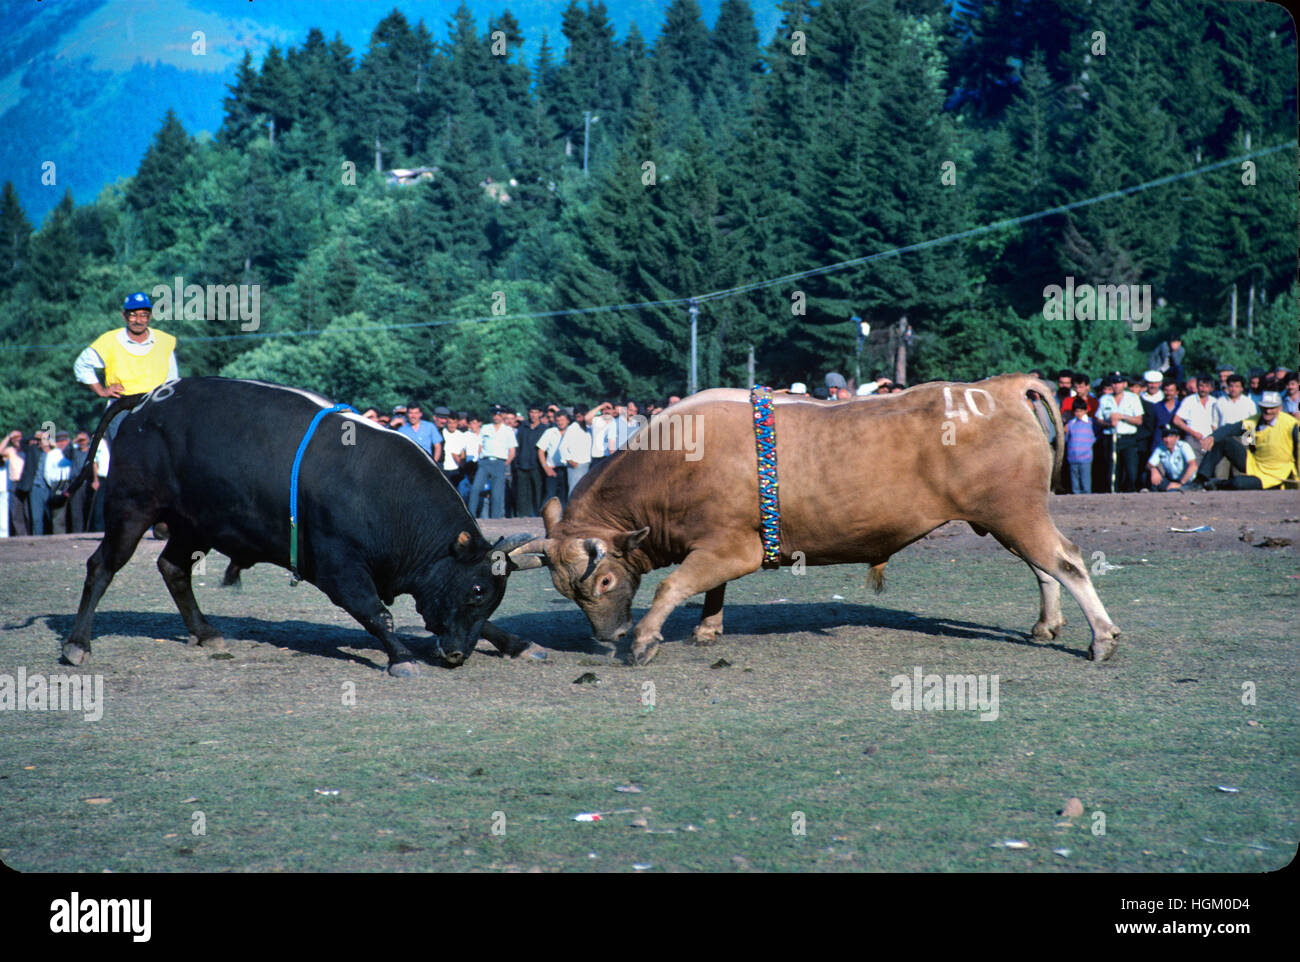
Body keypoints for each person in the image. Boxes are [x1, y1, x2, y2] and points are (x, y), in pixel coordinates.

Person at [74, 292, 179, 444]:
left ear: (150, 316)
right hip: (121, 410)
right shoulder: (109, 340)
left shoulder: (164, 341)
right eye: (133, 315)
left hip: (156, 408)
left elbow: (172, 380)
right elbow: (82, 365)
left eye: (143, 315)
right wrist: (101, 391)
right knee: (123, 461)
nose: (138, 320)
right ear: (124, 316)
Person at [1193, 391, 1298, 490]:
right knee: (1224, 441)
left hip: (1277, 473)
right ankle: (1200, 480)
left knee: (1238, 483)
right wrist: (1212, 437)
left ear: (1280, 408)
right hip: (1254, 463)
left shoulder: (1290, 424)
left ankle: (1217, 484)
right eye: (1264, 407)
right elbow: (1231, 429)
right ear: (1260, 406)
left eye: (1272, 408)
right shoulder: (1254, 421)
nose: (1268, 411)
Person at [1096, 374, 1143, 492]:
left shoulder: (1133, 398)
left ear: (1124, 384)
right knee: (1112, 471)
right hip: (1110, 437)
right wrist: (1108, 424)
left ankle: (1131, 493)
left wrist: (1123, 417)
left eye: (1119, 383)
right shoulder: (1105, 399)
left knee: (1131, 471)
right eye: (1114, 383)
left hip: (1128, 438)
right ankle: (1113, 494)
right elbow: (1098, 419)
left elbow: (1138, 420)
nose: (1116, 386)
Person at [470, 408, 515, 519]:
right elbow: (480, 446)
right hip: (485, 461)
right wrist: (481, 460)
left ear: (503, 415)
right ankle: (470, 515)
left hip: (499, 462)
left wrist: (505, 464)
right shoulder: (485, 428)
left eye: (498, 414)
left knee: (497, 493)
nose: (496, 416)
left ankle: (496, 519)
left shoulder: (508, 430)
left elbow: (512, 451)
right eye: (494, 414)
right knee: (476, 488)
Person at [513, 404, 548, 517]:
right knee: (522, 493)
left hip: (537, 466)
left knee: (538, 492)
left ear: (540, 414)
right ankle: (523, 516)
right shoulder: (523, 427)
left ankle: (538, 516)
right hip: (522, 465)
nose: (533, 415)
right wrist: (517, 463)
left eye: (536, 412)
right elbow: (517, 446)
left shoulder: (544, 429)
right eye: (531, 412)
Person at [1147, 426, 1198, 491]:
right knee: (1147, 475)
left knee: (1173, 491)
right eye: (1165, 437)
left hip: (1186, 481)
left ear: (1177, 437)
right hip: (1172, 480)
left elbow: (1193, 466)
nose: (1168, 440)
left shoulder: (1183, 446)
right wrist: (1153, 470)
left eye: (1171, 436)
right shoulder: (1160, 448)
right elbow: (1149, 464)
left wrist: (1180, 483)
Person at [1173, 376, 1215, 448]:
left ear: (1211, 388)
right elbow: (1176, 420)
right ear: (1197, 387)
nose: (1203, 389)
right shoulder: (1189, 400)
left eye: (1207, 386)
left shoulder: (1215, 402)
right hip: (1192, 439)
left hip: (1210, 440)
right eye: (1201, 386)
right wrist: (1193, 433)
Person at [1064, 402, 1096, 494]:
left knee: (1085, 482)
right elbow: (1067, 439)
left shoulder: (1091, 422)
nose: (1078, 413)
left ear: (1086, 411)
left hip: (1085, 457)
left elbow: (1096, 436)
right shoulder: (1071, 423)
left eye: (1081, 411)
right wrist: (1064, 432)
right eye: (1076, 411)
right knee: (1075, 484)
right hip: (1073, 457)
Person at [1, 429, 25, 536]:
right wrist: (8, 436)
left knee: (29, 511)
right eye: (15, 439)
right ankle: (21, 535)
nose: (17, 441)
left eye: (19, 438)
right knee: (16, 512)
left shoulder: (27, 449)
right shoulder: (10, 451)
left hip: (28, 482)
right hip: (15, 482)